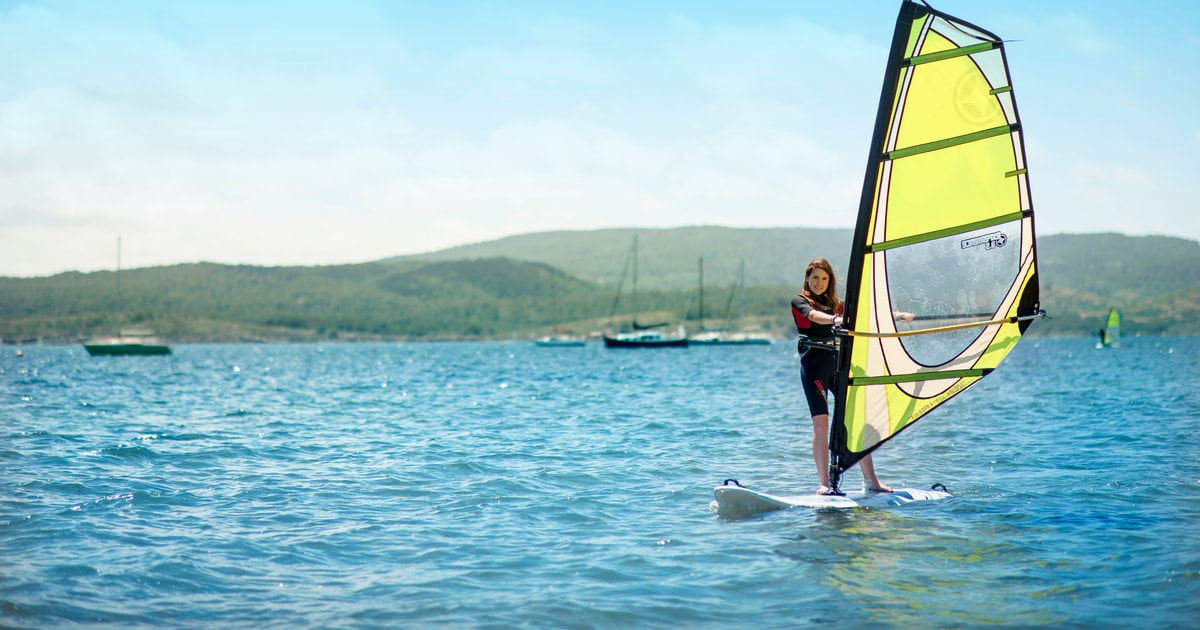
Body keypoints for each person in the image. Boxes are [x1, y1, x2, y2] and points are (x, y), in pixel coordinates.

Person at [790, 258, 898, 496]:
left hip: (838, 367)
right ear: (807, 278)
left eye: (824, 278)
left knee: (855, 420)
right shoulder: (800, 301)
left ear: (829, 281)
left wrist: (896, 315)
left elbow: (866, 314)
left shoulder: (835, 304)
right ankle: (824, 483)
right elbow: (813, 316)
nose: (819, 283)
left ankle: (872, 481)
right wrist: (835, 319)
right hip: (814, 368)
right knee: (821, 424)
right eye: (815, 277)